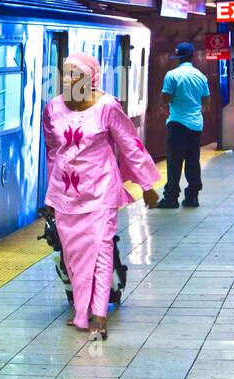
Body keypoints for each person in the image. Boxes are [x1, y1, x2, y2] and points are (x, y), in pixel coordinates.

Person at [44, 52, 160, 339]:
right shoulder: (52, 109)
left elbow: (130, 144)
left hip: (101, 191)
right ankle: (81, 310)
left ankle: (99, 314)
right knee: (74, 256)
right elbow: (51, 154)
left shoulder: (107, 106)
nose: (68, 79)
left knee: (101, 250)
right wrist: (49, 196)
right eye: (65, 73)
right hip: (66, 195)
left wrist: (147, 184)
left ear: (91, 77)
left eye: (75, 73)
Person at [155, 41, 210, 208]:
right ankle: (192, 196)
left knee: (174, 161)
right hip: (195, 125)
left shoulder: (172, 75)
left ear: (178, 58)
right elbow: (206, 102)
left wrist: (166, 104)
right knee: (193, 161)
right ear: (192, 56)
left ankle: (171, 197)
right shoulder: (201, 76)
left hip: (177, 123)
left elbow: (165, 99)